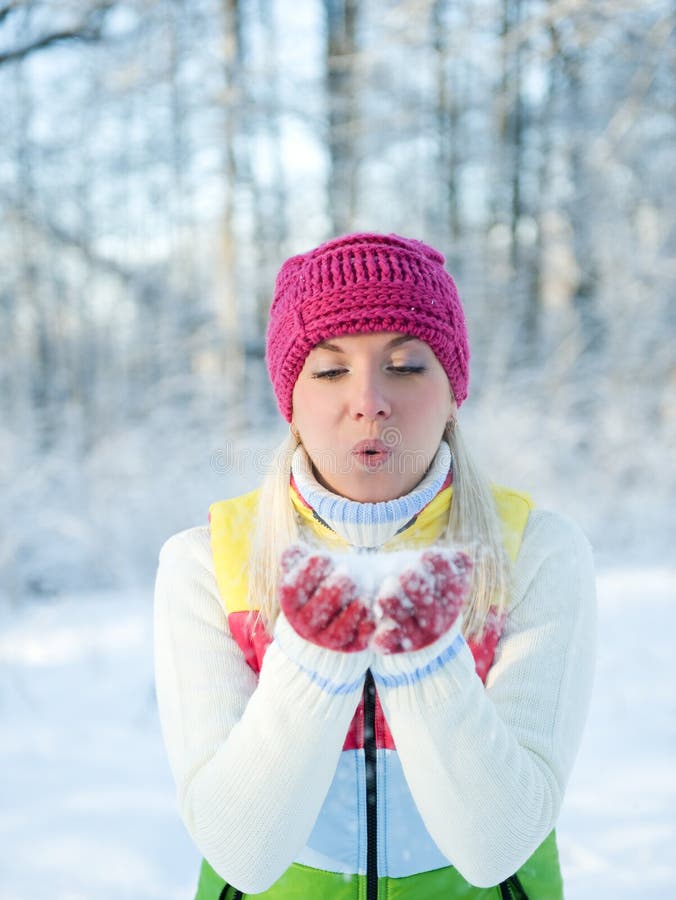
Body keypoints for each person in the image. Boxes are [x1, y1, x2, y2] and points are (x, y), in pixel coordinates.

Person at [154, 232, 596, 900]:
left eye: (407, 365)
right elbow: (239, 854)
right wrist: (314, 657)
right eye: (330, 371)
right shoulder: (209, 563)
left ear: (453, 391)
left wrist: (425, 662)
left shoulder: (533, 551)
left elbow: (498, 847)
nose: (368, 401)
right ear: (291, 402)